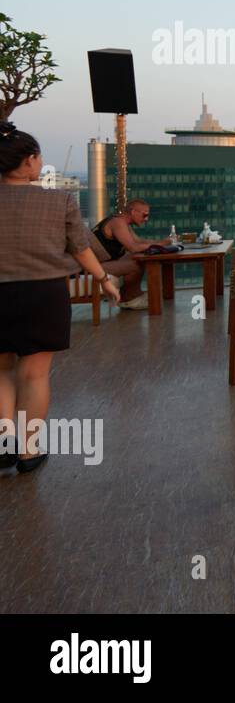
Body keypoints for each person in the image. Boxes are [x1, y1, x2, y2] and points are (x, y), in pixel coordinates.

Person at [1, 121, 123, 474]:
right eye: (37, 158)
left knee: (1, 371)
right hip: (43, 293)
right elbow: (81, 249)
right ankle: (28, 451)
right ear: (28, 161)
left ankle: (3, 444)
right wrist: (104, 281)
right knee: (34, 375)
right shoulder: (59, 200)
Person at [92, 198, 153, 309]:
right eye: (145, 215)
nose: (146, 219)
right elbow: (133, 247)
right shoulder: (118, 222)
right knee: (135, 263)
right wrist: (159, 246)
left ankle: (131, 296)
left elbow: (138, 241)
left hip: (99, 263)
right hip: (91, 267)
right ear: (133, 212)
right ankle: (129, 300)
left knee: (135, 257)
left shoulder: (122, 222)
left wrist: (164, 243)